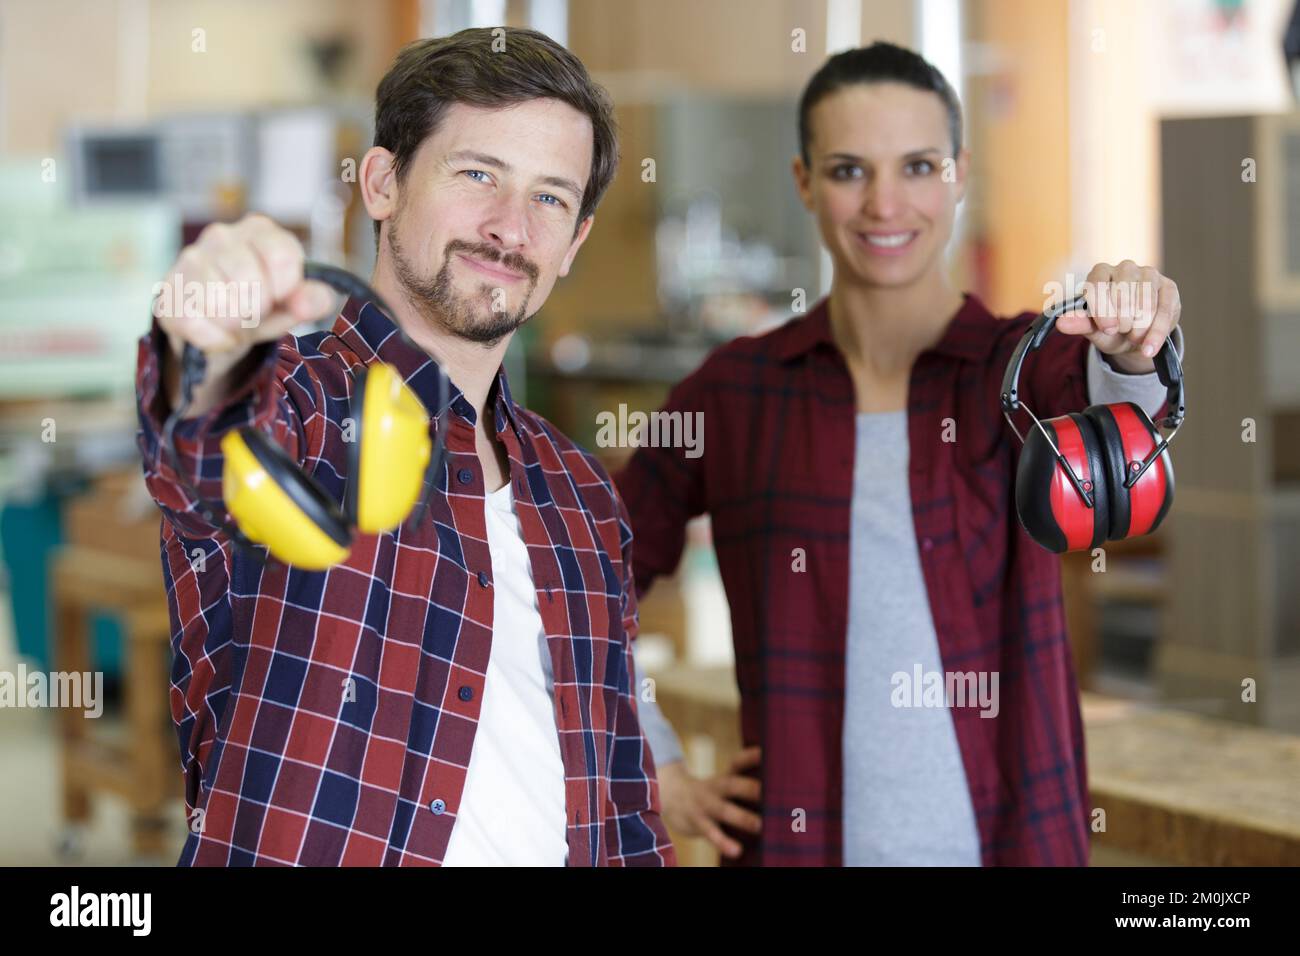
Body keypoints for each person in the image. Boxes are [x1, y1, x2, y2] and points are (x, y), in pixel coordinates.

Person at [619, 42, 1184, 866]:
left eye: (917, 166)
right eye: (850, 170)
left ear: (957, 173)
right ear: (805, 181)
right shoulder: (734, 394)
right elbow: (584, 583)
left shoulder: (1020, 366)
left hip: (1015, 846)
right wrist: (650, 759)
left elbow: (1124, 396)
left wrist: (1138, 340)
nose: (886, 204)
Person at [136, 27, 674, 866]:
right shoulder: (299, 411)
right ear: (383, 182)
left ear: (574, 242)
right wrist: (203, 331)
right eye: (477, 175)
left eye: (549, 198)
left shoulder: (580, 494)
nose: (509, 228)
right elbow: (198, 433)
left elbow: (622, 800)